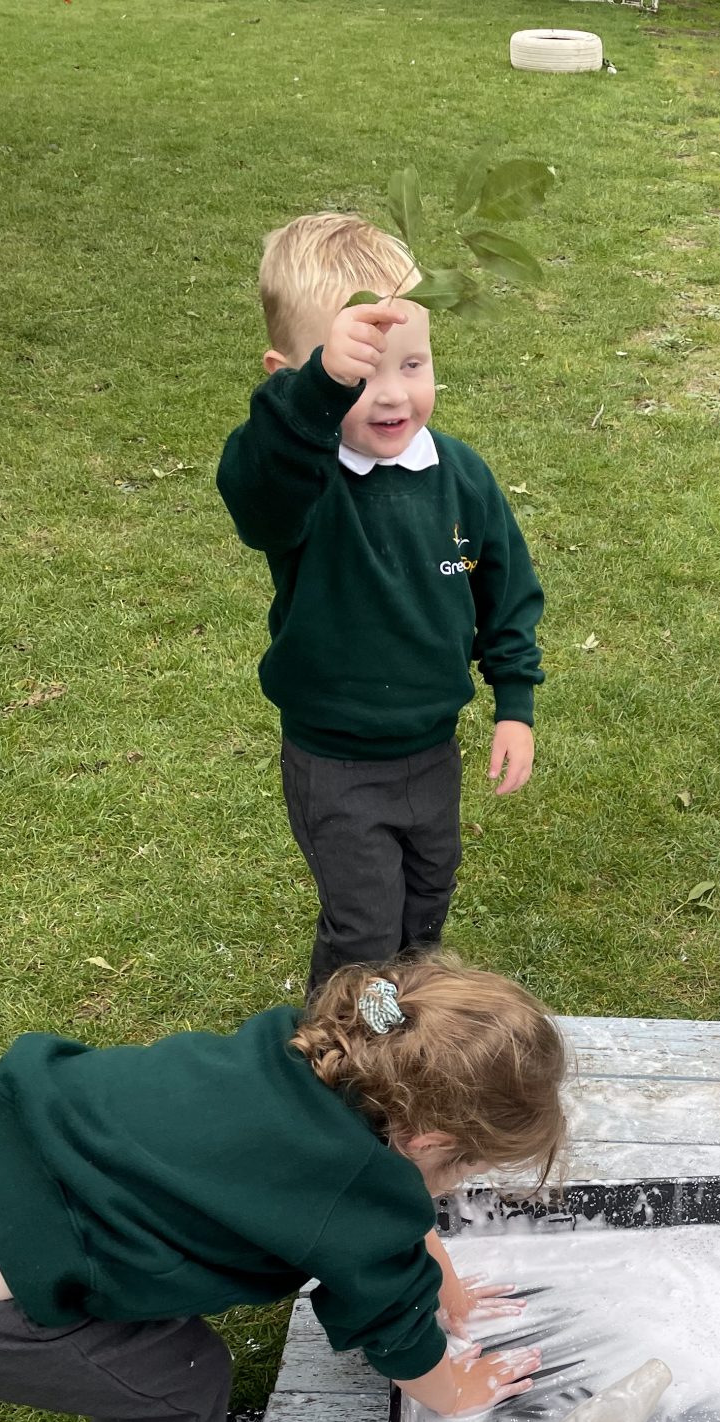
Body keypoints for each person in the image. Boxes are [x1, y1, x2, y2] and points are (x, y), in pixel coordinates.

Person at [0, 954, 566, 1422]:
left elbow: (395, 1202)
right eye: (471, 1166)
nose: (465, 1181)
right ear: (430, 1140)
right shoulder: (352, 1195)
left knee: (136, 1343)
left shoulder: (325, 1058)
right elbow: (395, 1337)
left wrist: (446, 1288)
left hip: (11, 1159)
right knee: (177, 1383)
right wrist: (455, 1391)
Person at [218, 213, 545, 992]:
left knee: (422, 914)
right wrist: (313, 399)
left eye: (413, 364)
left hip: (431, 751)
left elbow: (504, 586)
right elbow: (252, 492)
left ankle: (402, 1044)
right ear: (290, 377)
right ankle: (338, 1063)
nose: (392, 395)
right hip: (336, 761)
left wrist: (515, 702)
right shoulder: (302, 479)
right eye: (359, 377)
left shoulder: (461, 475)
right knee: (363, 933)